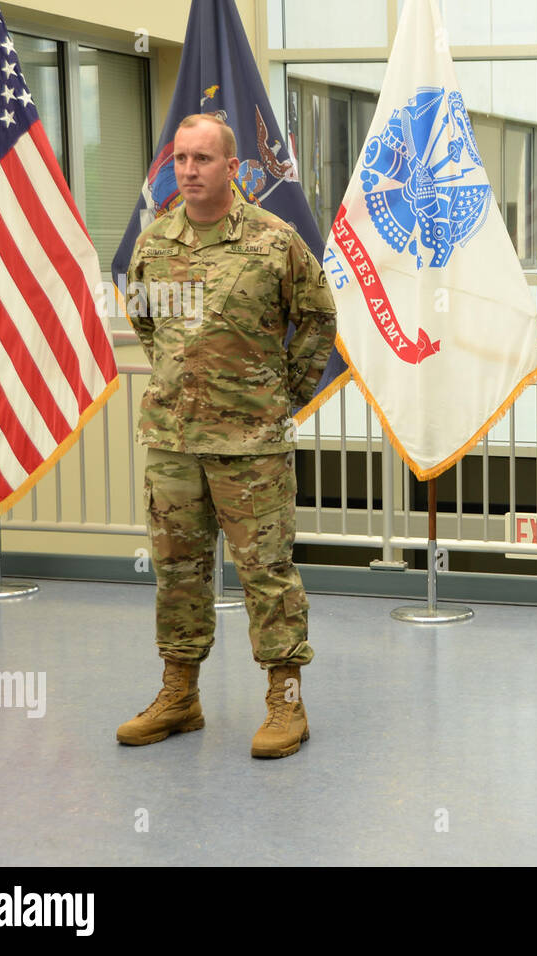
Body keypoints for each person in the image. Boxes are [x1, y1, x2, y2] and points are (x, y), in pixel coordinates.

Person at [117, 113, 337, 759]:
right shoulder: (154, 244)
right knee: (177, 572)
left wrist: (281, 395)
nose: (188, 170)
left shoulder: (275, 241)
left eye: (203, 159)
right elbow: (147, 322)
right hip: (174, 441)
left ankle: (286, 702)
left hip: (252, 447)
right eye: (181, 159)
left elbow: (319, 318)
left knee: (266, 574)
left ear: (233, 168)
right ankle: (179, 694)